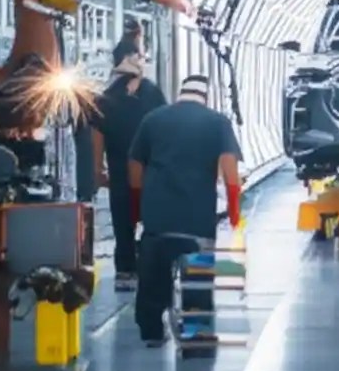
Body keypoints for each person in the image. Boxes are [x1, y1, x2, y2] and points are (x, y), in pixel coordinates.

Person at [129, 74, 243, 346]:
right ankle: (197, 334)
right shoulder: (217, 122)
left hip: (157, 221)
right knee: (198, 282)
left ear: (180, 92)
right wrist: (235, 211)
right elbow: (230, 169)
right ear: (207, 96)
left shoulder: (153, 119)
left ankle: (152, 332)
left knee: (152, 282)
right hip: (197, 222)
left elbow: (134, 167)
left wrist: (137, 209)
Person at [92, 23, 166, 291]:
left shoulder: (105, 98)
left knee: (123, 222)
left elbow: (97, 137)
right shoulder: (152, 92)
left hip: (120, 173)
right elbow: (163, 129)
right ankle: (151, 266)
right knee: (152, 221)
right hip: (150, 172)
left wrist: (97, 170)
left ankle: (125, 271)